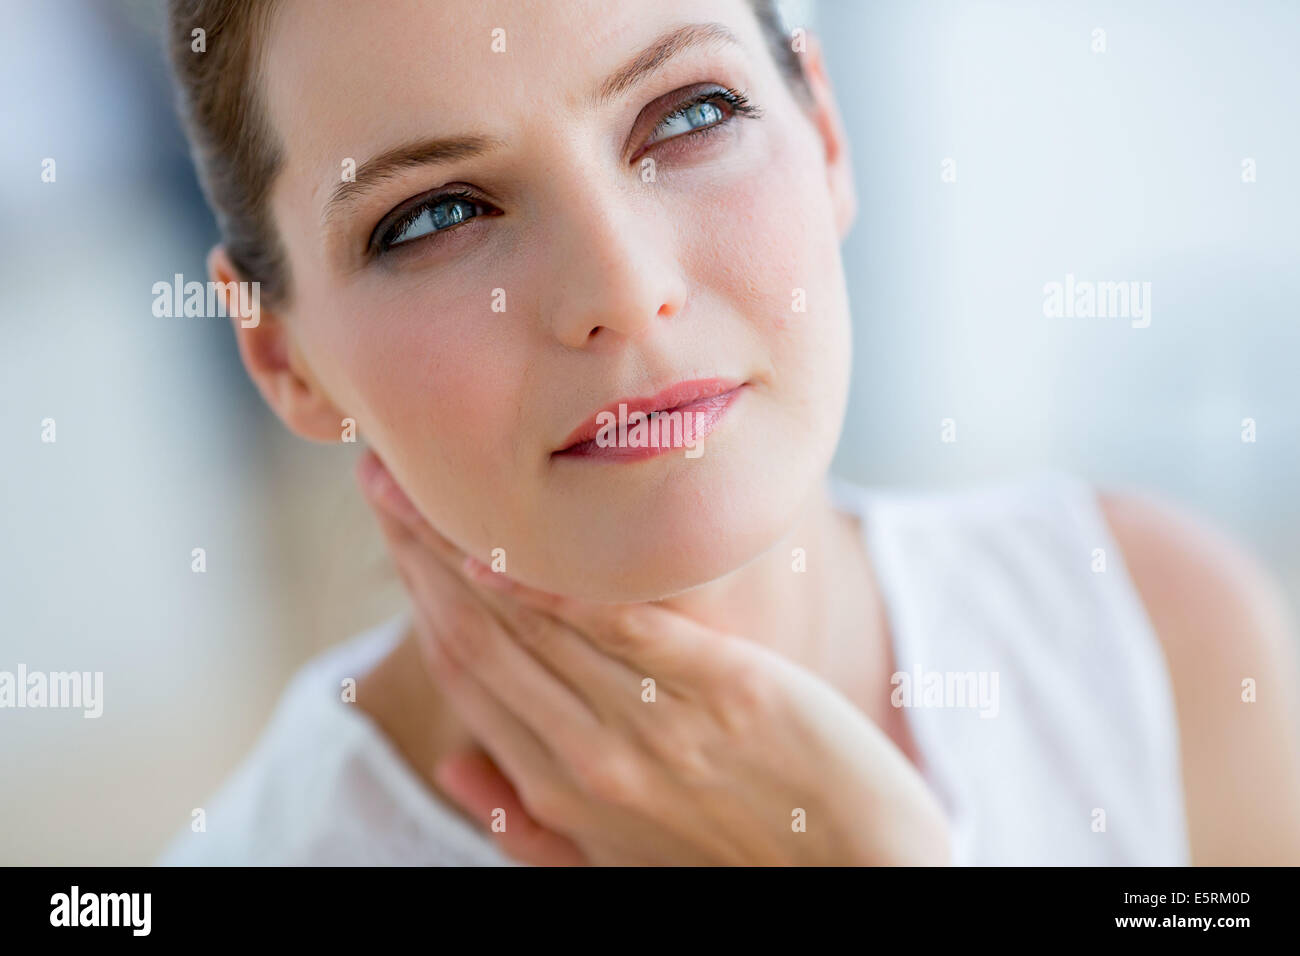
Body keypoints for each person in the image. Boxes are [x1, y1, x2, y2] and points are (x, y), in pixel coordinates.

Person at [156, 0, 1300, 865]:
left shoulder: (1158, 635)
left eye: (691, 114)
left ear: (828, 137)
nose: (624, 284)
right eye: (436, 215)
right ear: (283, 355)